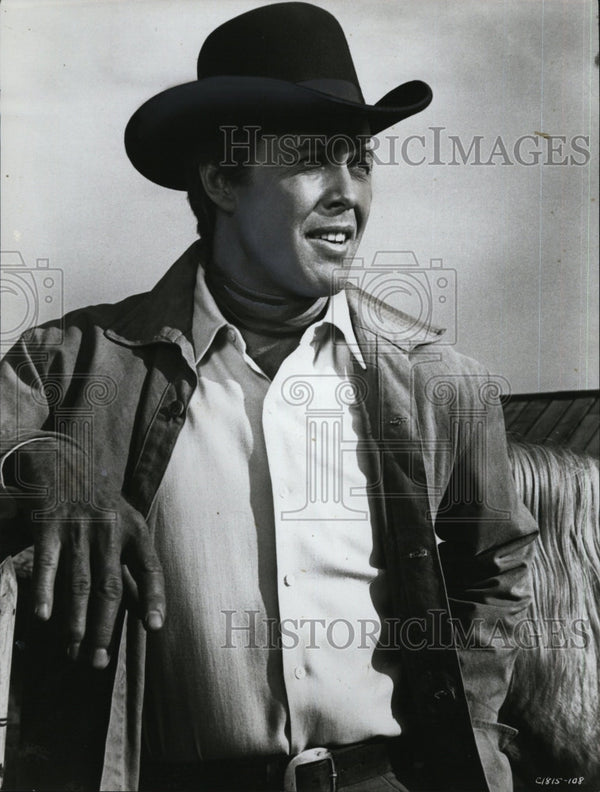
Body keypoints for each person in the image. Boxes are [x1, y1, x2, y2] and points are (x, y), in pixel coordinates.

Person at [0, 3, 538, 791]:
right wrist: (55, 473)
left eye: (359, 162)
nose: (347, 194)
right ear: (221, 178)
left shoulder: (439, 381)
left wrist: (477, 737)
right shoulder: (73, 365)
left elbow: (494, 567)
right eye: (316, 160)